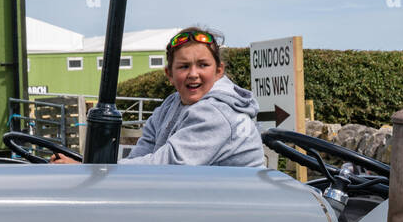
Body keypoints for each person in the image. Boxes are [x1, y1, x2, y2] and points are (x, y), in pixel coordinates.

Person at [52, 26, 263, 166]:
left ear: (219, 71)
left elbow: (167, 166)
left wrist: (89, 169)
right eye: (183, 66)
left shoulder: (217, 112)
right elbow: (141, 156)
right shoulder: (170, 106)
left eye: (203, 65)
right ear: (169, 74)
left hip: (237, 213)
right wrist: (91, 166)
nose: (193, 74)